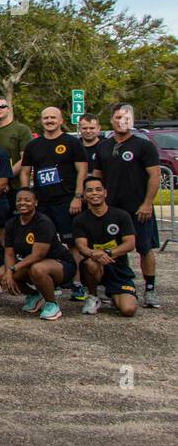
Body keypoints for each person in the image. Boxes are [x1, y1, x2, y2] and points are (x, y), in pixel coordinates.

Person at [93, 103, 162, 307]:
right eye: (118, 117)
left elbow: (155, 175)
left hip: (139, 209)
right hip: (112, 209)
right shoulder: (103, 146)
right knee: (112, 249)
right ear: (112, 120)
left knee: (145, 248)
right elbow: (97, 177)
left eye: (126, 118)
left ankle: (150, 289)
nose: (122, 121)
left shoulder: (144, 145)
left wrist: (147, 203)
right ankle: (114, 285)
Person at [17, 107, 87, 297]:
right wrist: (26, 196)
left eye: (53, 118)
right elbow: (25, 171)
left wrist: (78, 196)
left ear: (61, 120)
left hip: (66, 201)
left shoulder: (72, 142)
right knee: (44, 242)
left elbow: (82, 170)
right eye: (45, 117)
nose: (49, 121)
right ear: (41, 121)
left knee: (72, 243)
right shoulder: (34, 145)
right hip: (42, 203)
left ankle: (78, 283)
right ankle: (51, 280)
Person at [0, 188, 76, 322]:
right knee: (1, 273)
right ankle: (34, 296)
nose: (22, 203)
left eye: (27, 200)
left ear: (35, 202)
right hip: (31, 264)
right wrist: (8, 273)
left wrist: (12, 269)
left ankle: (52, 304)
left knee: (38, 269)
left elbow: (38, 255)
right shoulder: (12, 223)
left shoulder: (43, 222)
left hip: (59, 264)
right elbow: (9, 253)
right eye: (19, 200)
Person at [73, 176, 140, 317]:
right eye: (90, 190)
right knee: (90, 263)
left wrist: (107, 253)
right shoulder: (80, 220)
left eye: (98, 189)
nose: (94, 193)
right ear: (84, 195)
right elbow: (81, 246)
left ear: (105, 192)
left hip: (117, 267)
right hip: (95, 265)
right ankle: (93, 296)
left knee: (128, 310)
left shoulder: (121, 215)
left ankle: (113, 295)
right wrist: (93, 254)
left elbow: (130, 244)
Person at [0, 96, 33, 167]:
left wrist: (6, 175)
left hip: (12, 177)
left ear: (9, 110)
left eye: (2, 106)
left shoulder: (22, 129)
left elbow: (25, 159)